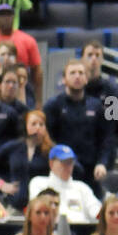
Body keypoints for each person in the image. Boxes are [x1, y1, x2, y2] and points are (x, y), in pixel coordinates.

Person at [43, 61, 112, 190]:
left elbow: (106, 138)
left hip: (91, 171)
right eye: (72, 73)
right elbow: (47, 139)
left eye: (81, 73)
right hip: (62, 167)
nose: (77, 76)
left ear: (86, 79)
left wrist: (102, 163)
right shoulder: (52, 106)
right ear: (64, 79)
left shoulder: (97, 106)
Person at [0, 107, 53, 211]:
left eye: (41, 124)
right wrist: (1, 184)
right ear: (26, 126)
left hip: (42, 206)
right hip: (15, 204)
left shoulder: (50, 150)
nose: (38, 127)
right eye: (34, 124)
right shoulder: (14, 147)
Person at [0, 5, 43, 102]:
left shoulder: (28, 40)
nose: (5, 18)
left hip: (20, 88)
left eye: (8, 15)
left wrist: (39, 102)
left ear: (14, 17)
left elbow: (37, 71)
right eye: (1, 15)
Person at [28, 144, 101, 224]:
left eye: (71, 162)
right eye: (64, 162)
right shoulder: (38, 183)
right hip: (51, 230)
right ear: (51, 163)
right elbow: (38, 210)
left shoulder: (82, 187)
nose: (68, 166)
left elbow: (95, 210)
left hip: (81, 231)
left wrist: (104, 216)